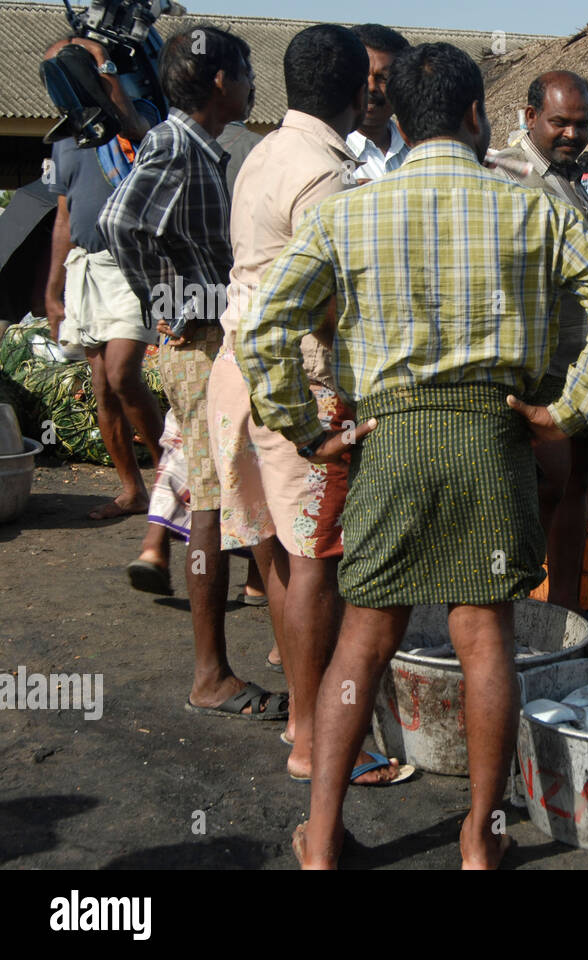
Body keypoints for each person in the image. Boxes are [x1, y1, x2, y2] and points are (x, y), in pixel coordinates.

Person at [238, 42, 588, 868]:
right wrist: (564, 412)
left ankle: (320, 843)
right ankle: (480, 838)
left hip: (389, 438)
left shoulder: (347, 212)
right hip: (493, 441)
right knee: (484, 636)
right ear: (473, 116)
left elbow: (264, 326)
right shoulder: (533, 209)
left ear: (400, 114)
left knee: (365, 637)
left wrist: (303, 427)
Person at [212, 24, 413, 783]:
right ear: (359, 86)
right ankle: (312, 736)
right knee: (317, 565)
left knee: (291, 560)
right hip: (301, 387)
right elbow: (326, 299)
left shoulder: (264, 151)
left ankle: (307, 718)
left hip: (247, 374)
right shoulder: (325, 173)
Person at [99, 25, 285, 721]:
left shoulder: (198, 147)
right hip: (197, 348)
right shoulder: (176, 143)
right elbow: (123, 221)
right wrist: (172, 302)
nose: (249, 82)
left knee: (221, 501)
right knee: (208, 509)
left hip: (207, 340)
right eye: (242, 71)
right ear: (218, 81)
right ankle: (211, 674)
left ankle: (249, 655)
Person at [493, 71, 588, 650]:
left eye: (581, 123)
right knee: (533, 494)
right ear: (530, 117)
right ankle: (520, 623)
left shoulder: (577, 184)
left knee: (576, 484)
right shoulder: (505, 173)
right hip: (539, 372)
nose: (572, 134)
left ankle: (569, 615)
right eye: (560, 123)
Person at [43, 36, 166, 526]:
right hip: (87, 269)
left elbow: (130, 119)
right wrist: (53, 291)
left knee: (122, 374)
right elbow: (63, 218)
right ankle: (133, 490)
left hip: (133, 267)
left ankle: (171, 480)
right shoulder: (62, 139)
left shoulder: (138, 122)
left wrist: (98, 59)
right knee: (101, 385)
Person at [344, 24, 410, 183]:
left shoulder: (416, 150)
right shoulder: (331, 152)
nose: (371, 86)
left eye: (383, 78)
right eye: (362, 75)